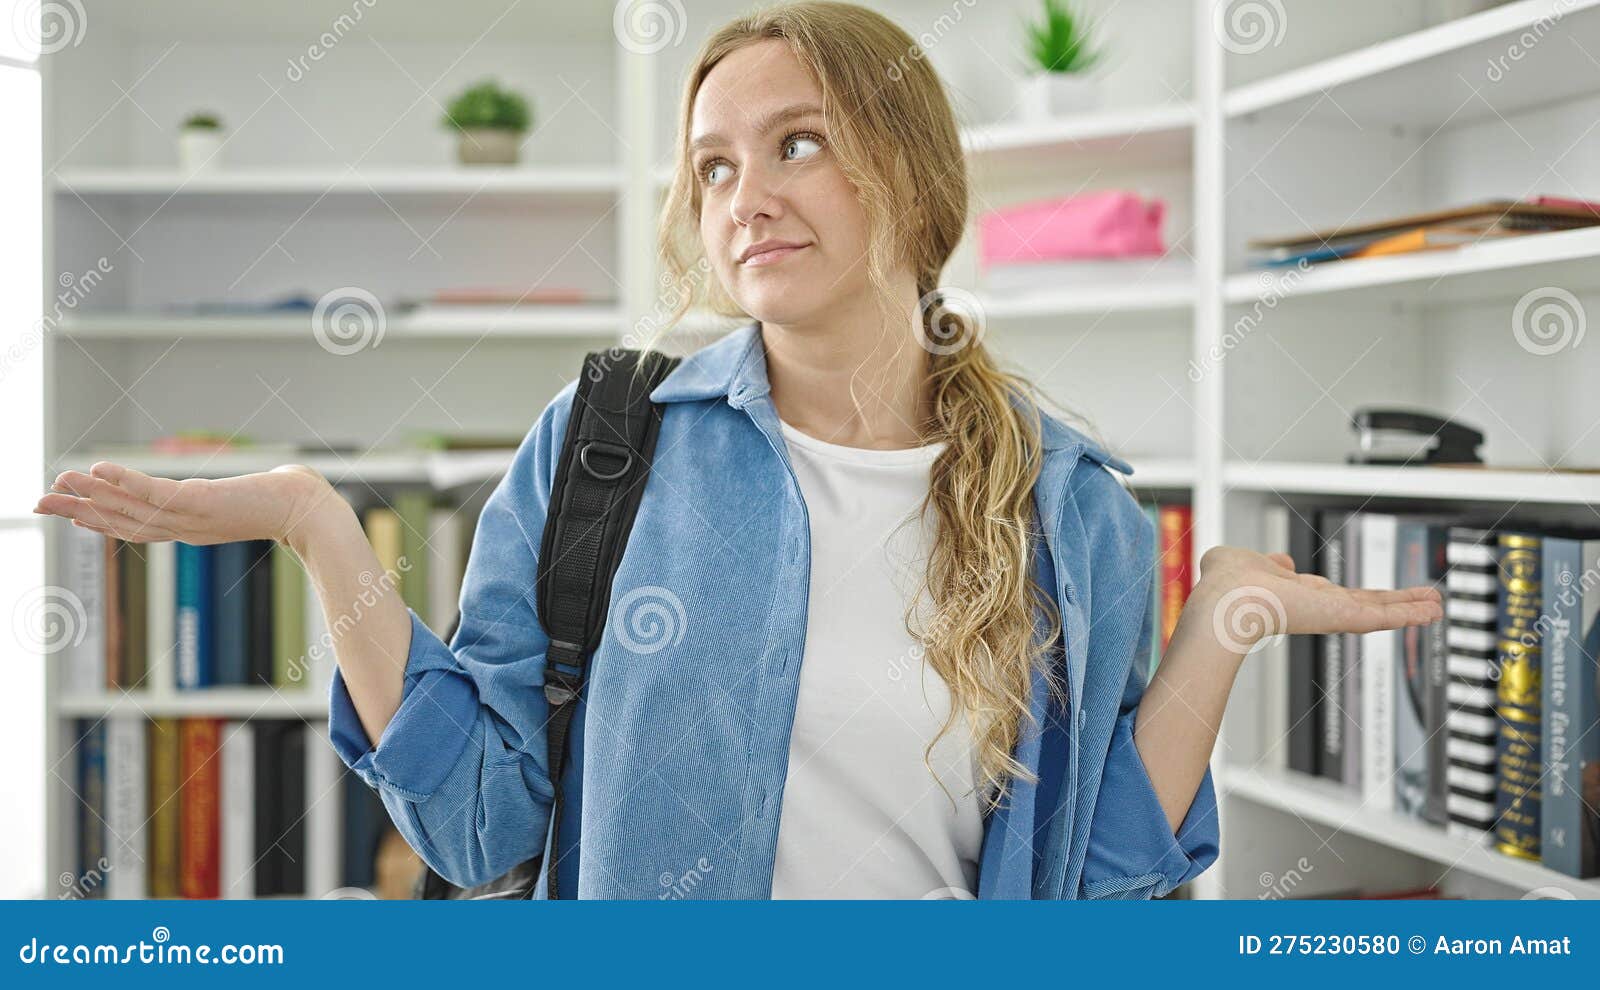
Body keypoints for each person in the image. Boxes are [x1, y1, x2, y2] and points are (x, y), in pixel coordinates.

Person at [33, 1, 1441, 899]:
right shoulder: (603, 451)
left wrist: (1228, 625)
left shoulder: (1077, 512)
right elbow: (475, 828)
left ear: (914, 176)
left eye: (798, 145)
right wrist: (315, 524)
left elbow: (1097, 877)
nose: (745, 195)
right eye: (713, 164)